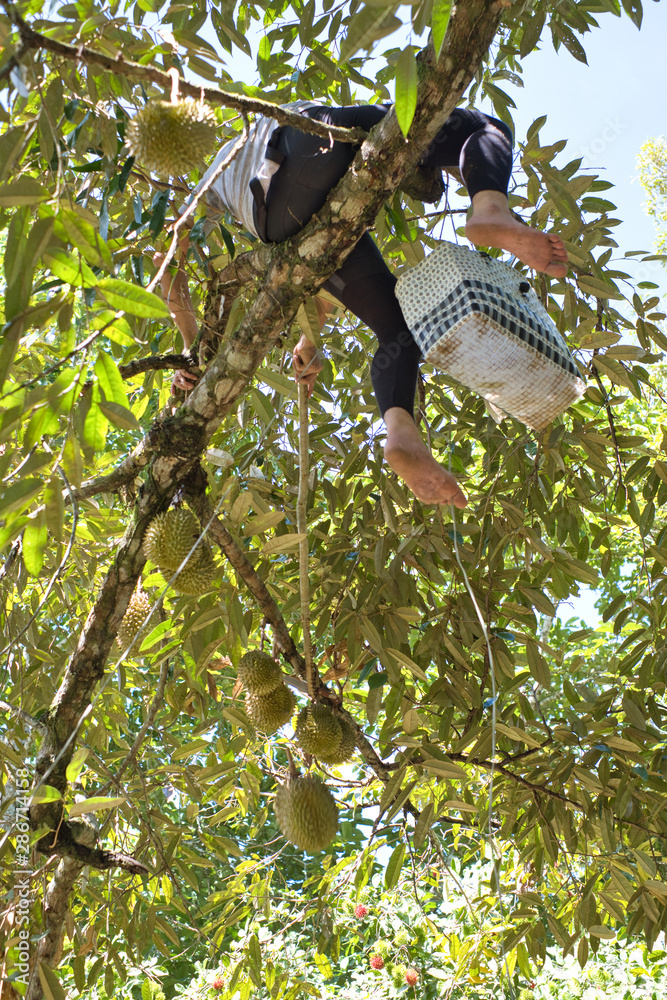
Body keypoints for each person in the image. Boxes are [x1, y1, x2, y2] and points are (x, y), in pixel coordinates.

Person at [160, 102, 569, 509]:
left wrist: (195, 347)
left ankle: (402, 432)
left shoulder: (210, 186)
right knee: (479, 126)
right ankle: (490, 211)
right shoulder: (270, 119)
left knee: (398, 327)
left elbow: (170, 268)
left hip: (280, 224)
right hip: (308, 143)